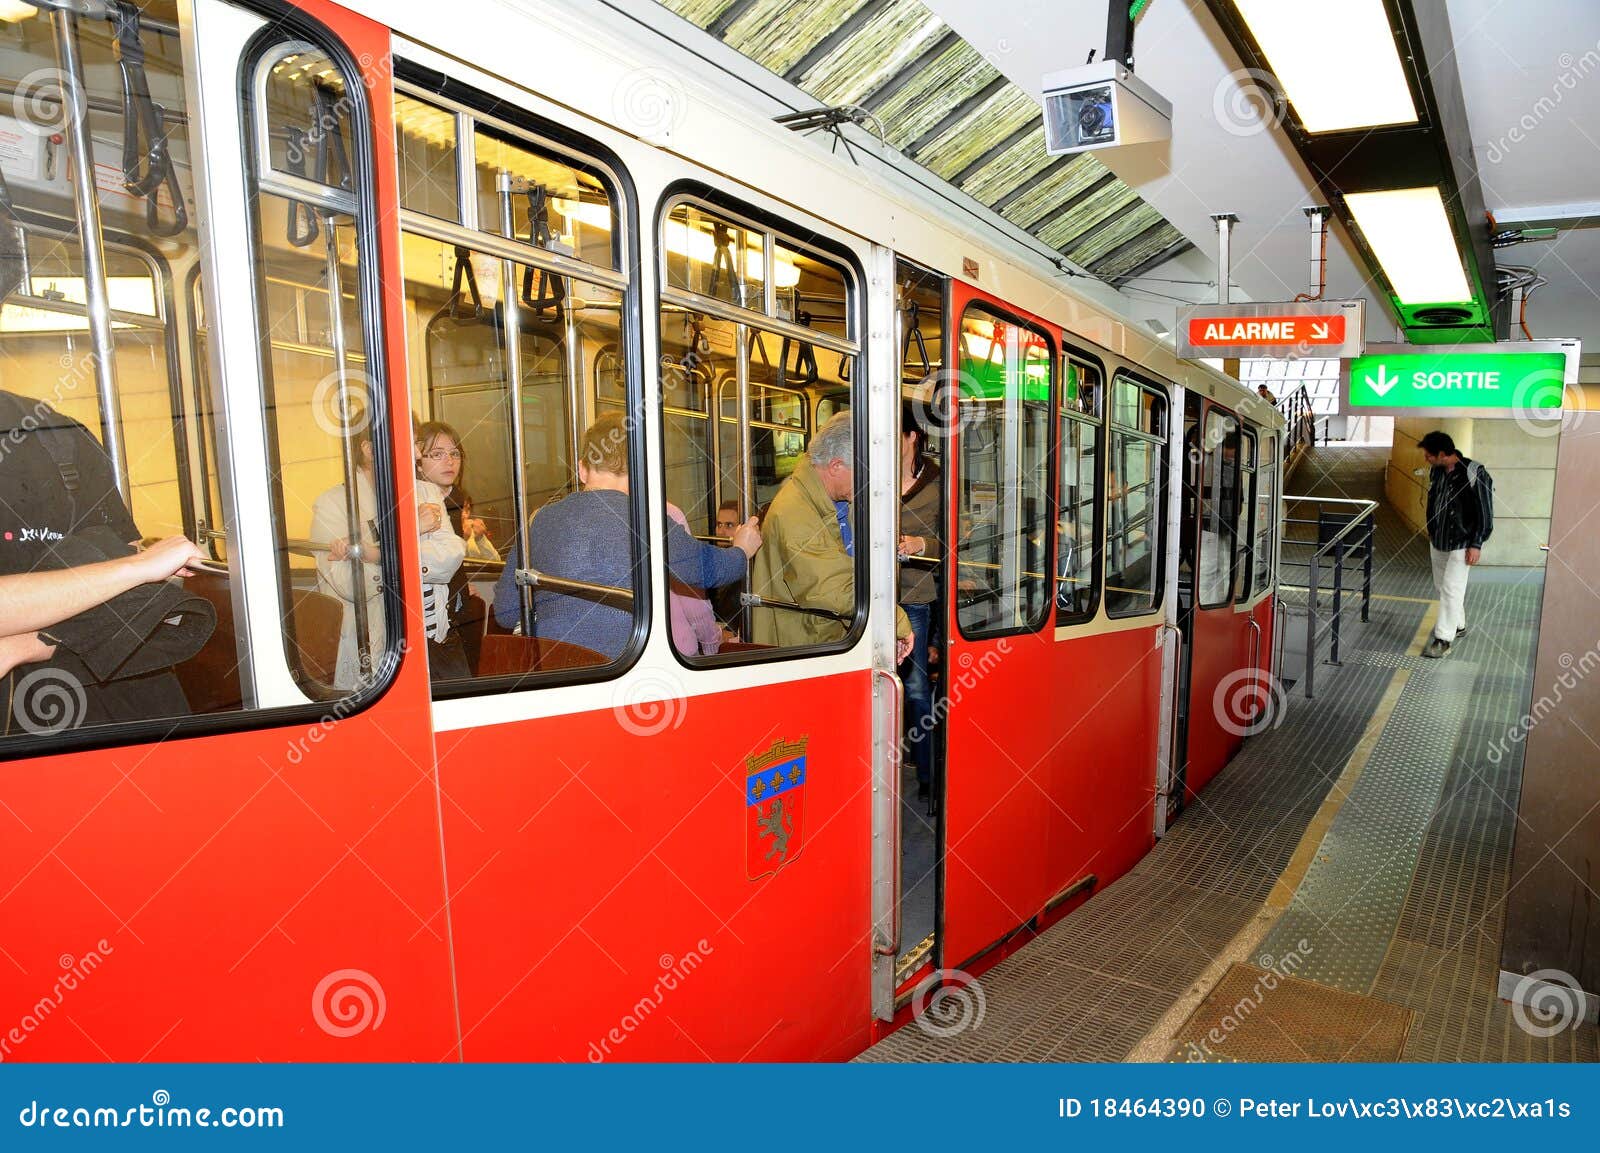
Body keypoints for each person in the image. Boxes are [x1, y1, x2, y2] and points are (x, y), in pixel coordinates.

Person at [0, 390, 214, 730]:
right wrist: (136, 569)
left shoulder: (56, 433)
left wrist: (25, 644)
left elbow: (135, 599)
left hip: (111, 700)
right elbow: (132, 578)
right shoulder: (56, 432)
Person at [491, 413, 762, 660]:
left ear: (582, 469)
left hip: (552, 669)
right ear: (639, 470)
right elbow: (709, 570)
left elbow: (505, 611)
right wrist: (741, 549)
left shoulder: (538, 520)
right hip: (625, 668)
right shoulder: (647, 521)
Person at [751, 411, 913, 660]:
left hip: (829, 637)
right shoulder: (793, 512)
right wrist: (896, 621)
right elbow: (832, 588)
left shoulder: (834, 501)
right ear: (836, 466)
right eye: (865, 472)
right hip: (802, 646)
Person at [310, 432, 385, 690]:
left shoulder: (411, 498)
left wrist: (371, 554)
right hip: (362, 636)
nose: (417, 455)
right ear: (368, 449)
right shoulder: (332, 504)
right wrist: (384, 557)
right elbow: (351, 585)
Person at [415, 421, 486, 676]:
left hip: (457, 611)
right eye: (437, 454)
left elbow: (454, 556)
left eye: (455, 453)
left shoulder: (457, 499)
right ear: (418, 461)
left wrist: (461, 583)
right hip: (426, 619)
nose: (449, 461)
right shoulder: (414, 502)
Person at [1418, 430, 1494, 659]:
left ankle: (1443, 639)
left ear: (1442, 454)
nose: (1426, 459)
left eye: (1429, 455)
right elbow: (1433, 501)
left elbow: (1485, 511)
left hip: (1463, 542)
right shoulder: (1437, 471)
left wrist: (1477, 543)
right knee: (1442, 587)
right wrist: (1432, 530)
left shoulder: (1475, 472)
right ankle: (1458, 624)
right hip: (1438, 540)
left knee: (1452, 588)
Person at [898, 408, 941, 800]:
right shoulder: (874, 475)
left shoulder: (936, 482)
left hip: (914, 596)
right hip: (874, 598)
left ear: (912, 436)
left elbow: (954, 539)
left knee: (914, 688)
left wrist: (920, 545)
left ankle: (928, 774)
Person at [666, 503, 724, 656]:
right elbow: (690, 593)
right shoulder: (668, 512)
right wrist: (711, 643)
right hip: (676, 647)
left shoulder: (608, 512)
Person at [710, 498, 745, 638]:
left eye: (729, 525)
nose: (721, 531)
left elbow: (731, 634)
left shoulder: (744, 574)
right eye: (719, 525)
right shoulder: (713, 562)